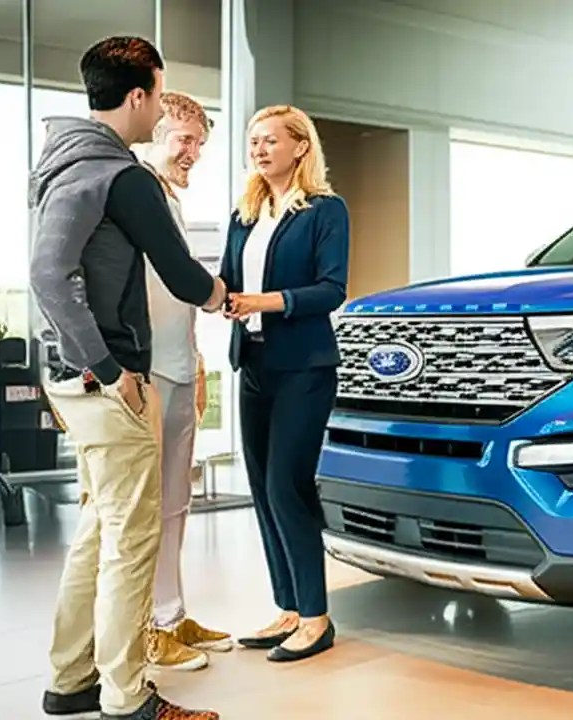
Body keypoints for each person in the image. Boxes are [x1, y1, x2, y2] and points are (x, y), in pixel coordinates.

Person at [29, 36, 225, 720]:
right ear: (138, 95)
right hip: (104, 381)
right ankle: (128, 697)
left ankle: (70, 678)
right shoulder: (122, 176)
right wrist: (111, 367)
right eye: (157, 96)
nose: (157, 117)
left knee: (97, 531)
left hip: (70, 380)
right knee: (132, 540)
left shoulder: (63, 164)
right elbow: (179, 273)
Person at [218, 104, 350, 662]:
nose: (259, 150)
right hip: (254, 363)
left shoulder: (325, 210)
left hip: (305, 367)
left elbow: (331, 289)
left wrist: (265, 302)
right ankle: (289, 608)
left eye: (270, 140)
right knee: (261, 490)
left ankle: (317, 617)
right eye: (253, 142)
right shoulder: (245, 213)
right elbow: (226, 276)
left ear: (300, 146)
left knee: (285, 488)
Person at [137, 90, 234, 672]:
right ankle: (146, 628)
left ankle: (170, 615)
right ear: (156, 133)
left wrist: (196, 363)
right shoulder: (138, 192)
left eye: (199, 142)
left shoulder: (169, 199)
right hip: (146, 371)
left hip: (177, 366)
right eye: (183, 140)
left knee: (177, 502)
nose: (193, 152)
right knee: (148, 507)